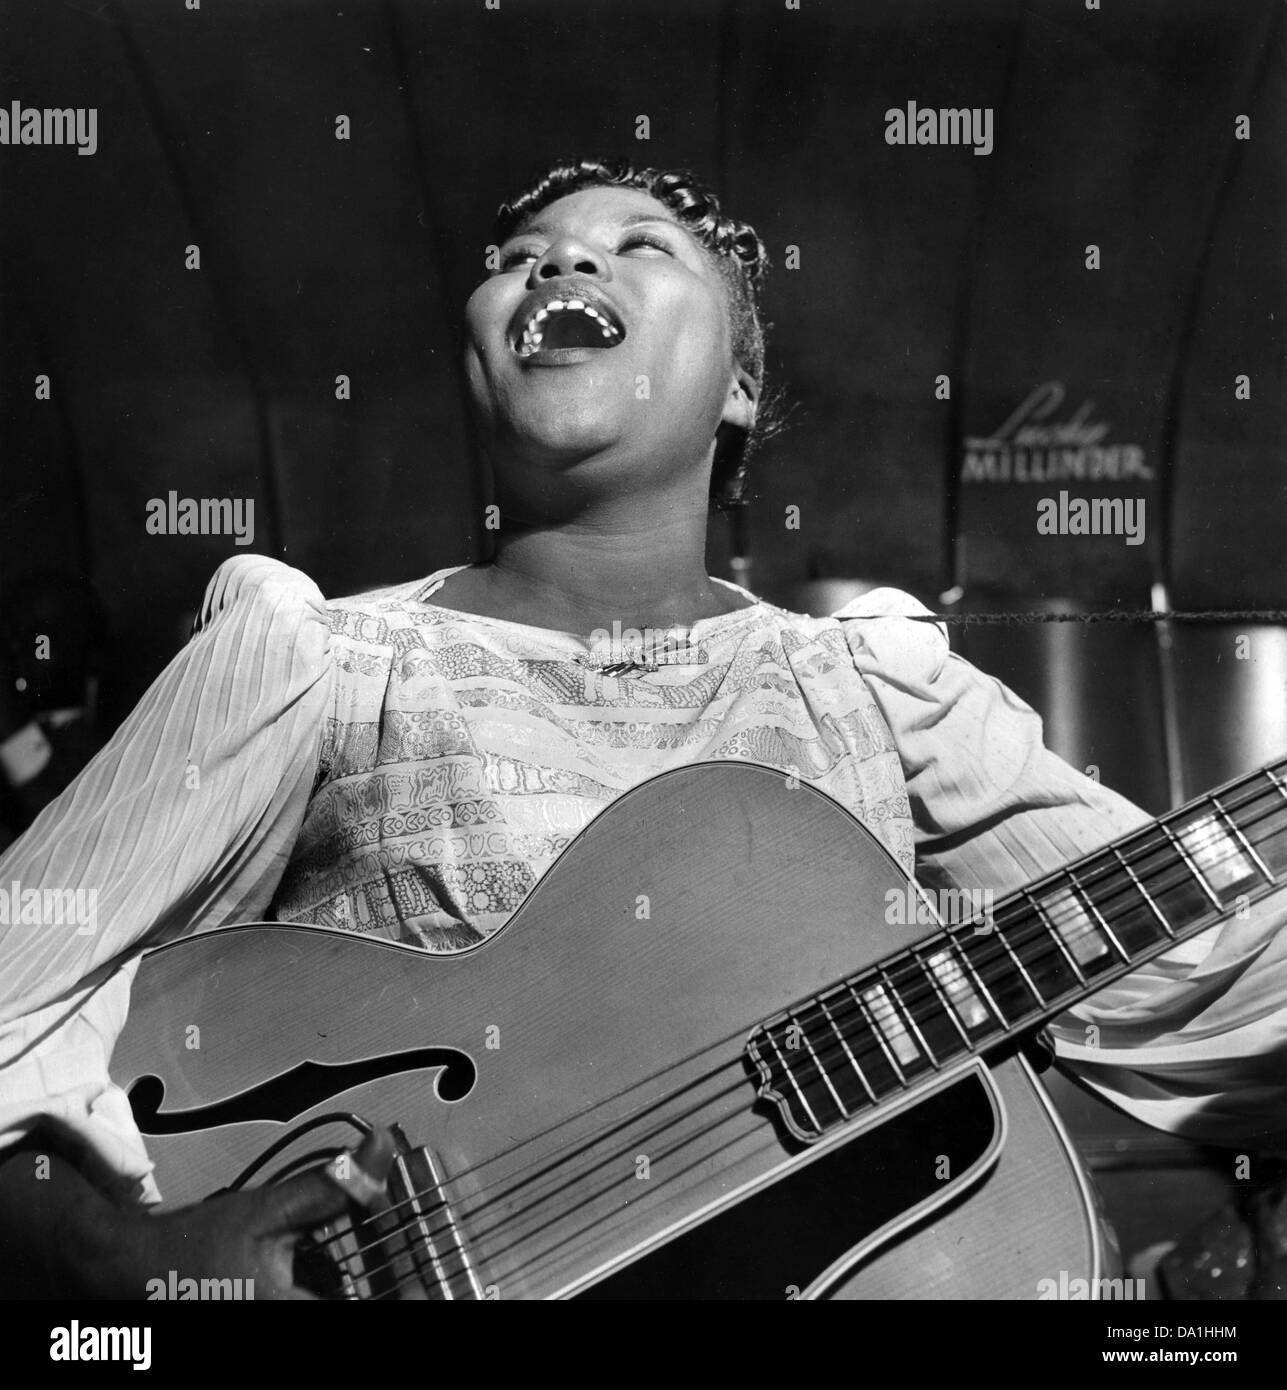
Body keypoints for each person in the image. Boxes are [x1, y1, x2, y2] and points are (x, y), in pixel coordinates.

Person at [1, 159, 1286, 1300]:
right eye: (516, 258)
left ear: (739, 384)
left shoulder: (878, 686)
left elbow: (1219, 970)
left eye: (639, 246)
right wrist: (138, 1263)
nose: (557, 261)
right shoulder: (316, 660)